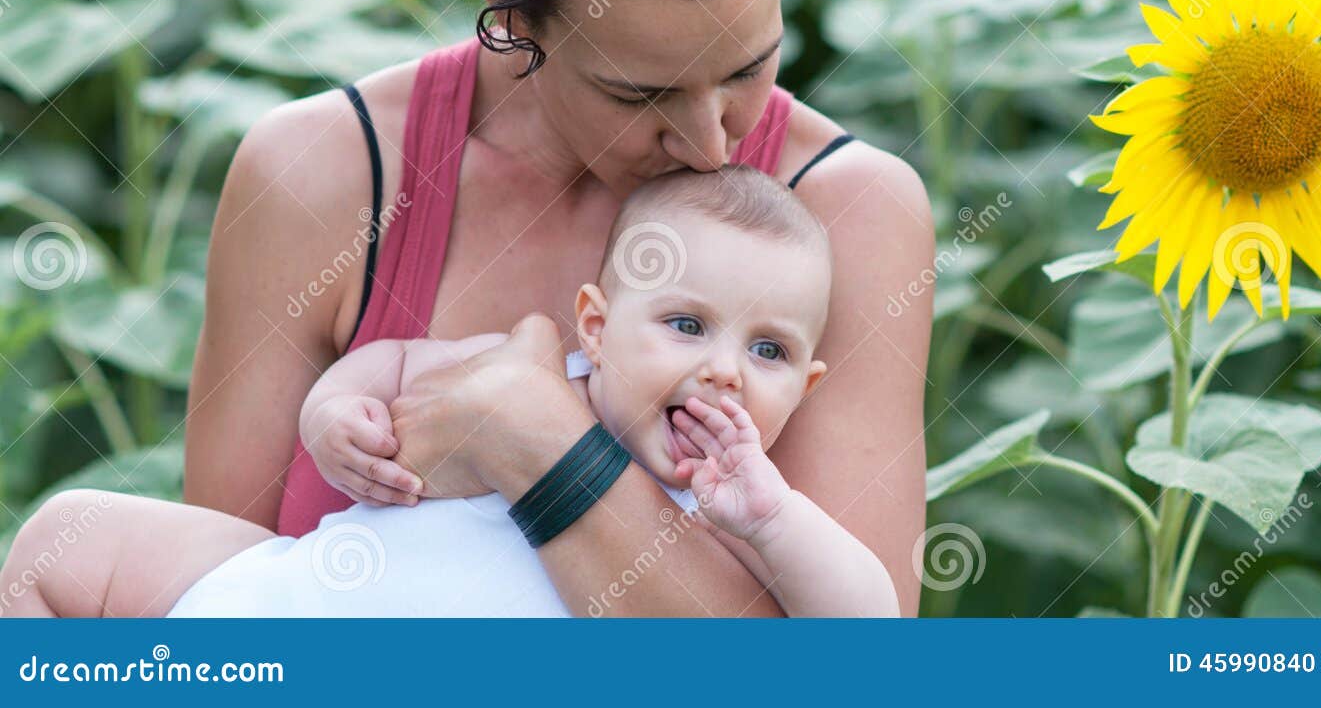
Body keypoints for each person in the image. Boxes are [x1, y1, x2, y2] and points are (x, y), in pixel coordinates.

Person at [182, 0, 934, 616]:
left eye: (751, 66)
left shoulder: (853, 215)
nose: (716, 145)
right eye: (642, 92)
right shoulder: (323, 180)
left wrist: (533, 438)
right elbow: (217, 620)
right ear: (512, 10)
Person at [0, 169, 900, 618]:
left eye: (771, 350)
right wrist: (334, 414)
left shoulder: (741, 514)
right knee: (64, 539)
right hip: (290, 604)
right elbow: (391, 365)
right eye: (688, 325)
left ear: (808, 384)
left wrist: (772, 517)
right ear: (595, 324)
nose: (725, 370)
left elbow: (867, 629)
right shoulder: (536, 366)